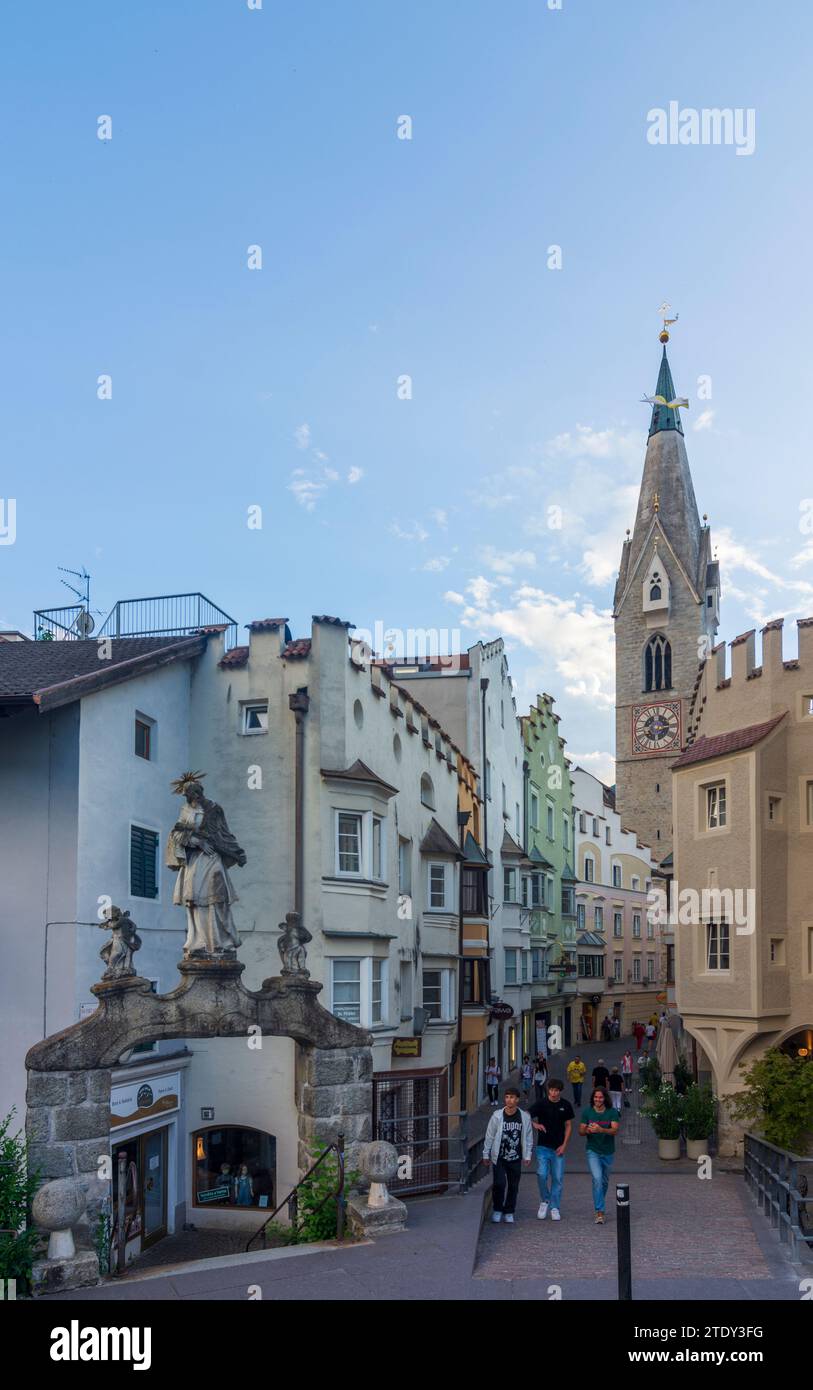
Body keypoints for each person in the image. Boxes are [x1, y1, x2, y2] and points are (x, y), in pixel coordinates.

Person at [483, 1087, 533, 1223]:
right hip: (499, 1156)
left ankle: (509, 1210)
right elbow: (490, 1135)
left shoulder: (524, 1117)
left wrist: (527, 1155)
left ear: (517, 1100)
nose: (509, 1100)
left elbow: (528, 1137)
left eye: (512, 1097)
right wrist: (485, 1154)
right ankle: (498, 1209)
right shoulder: (497, 1116)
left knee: (513, 1185)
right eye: (507, 1097)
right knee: (499, 1183)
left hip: (515, 1157)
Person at [530, 1078, 574, 1221]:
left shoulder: (565, 1105)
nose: (553, 1093)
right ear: (548, 1090)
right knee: (541, 1174)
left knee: (558, 1178)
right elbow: (525, 1114)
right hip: (543, 1146)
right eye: (551, 1090)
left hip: (558, 1148)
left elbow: (568, 1125)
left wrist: (565, 1145)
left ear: (560, 1091)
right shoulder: (541, 1103)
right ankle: (545, 1200)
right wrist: (535, 1125)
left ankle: (554, 1207)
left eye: (556, 1090)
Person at [579, 1086, 620, 1224]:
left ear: (605, 1098)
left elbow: (614, 1131)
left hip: (608, 1151)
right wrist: (588, 1131)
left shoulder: (612, 1112)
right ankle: (600, 1212)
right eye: (596, 1097)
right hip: (593, 1150)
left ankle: (599, 1203)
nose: (598, 1099)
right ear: (592, 1098)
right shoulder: (587, 1112)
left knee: (604, 1181)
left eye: (600, 1097)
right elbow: (581, 1131)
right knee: (597, 1178)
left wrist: (601, 1129)